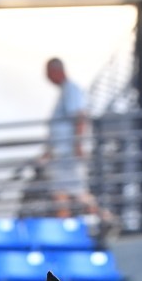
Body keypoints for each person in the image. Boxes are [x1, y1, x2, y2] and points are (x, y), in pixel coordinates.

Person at [43, 57, 100, 218]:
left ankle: (106, 220)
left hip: (69, 154)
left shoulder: (71, 89)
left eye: (47, 73)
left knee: (78, 193)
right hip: (62, 154)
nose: (47, 78)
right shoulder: (65, 91)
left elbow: (80, 117)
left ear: (55, 71)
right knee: (60, 193)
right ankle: (65, 226)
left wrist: (78, 146)